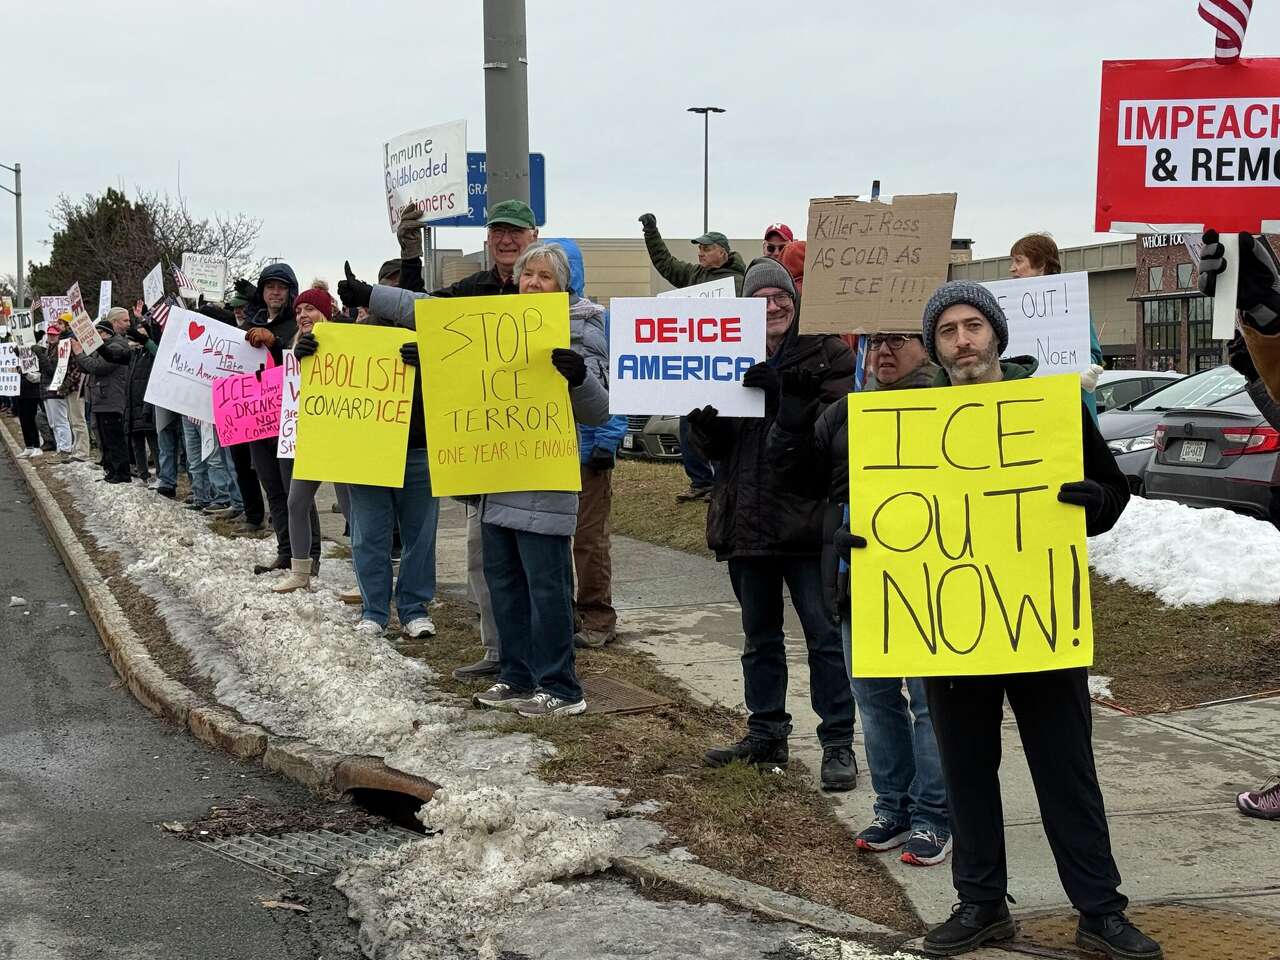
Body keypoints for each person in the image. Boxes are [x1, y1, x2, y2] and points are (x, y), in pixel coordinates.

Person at [839, 281, 1157, 959]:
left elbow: (1114, 496)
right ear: (937, 345)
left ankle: (1100, 910)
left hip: (1037, 622)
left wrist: (1091, 499)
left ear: (996, 335)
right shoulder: (909, 421)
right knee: (966, 772)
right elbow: (889, 519)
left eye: (972, 325)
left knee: (1065, 772)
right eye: (948, 330)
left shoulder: (1050, 406)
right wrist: (860, 541)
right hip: (951, 631)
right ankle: (981, 905)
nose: (962, 340)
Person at [361, 242, 610, 714]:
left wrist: (579, 378)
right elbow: (434, 317)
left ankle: (561, 688)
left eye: (545, 277)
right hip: (495, 477)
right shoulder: (495, 323)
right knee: (505, 585)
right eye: (528, 275)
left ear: (563, 287)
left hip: (544, 479)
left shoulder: (581, 326)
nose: (534, 283)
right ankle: (516, 677)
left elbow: (599, 410)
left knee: (548, 590)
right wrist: (379, 302)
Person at [767, 326, 949, 865]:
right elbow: (797, 478)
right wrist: (793, 417)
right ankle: (892, 806)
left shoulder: (952, 406)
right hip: (858, 578)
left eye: (899, 339)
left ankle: (935, 813)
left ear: (927, 347)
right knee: (874, 699)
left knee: (929, 704)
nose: (885, 351)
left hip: (931, 582)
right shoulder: (847, 411)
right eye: (875, 341)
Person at [687, 257, 858, 792]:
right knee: (759, 637)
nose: (773, 305)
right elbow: (718, 450)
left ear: (795, 298)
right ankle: (765, 734)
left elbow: (836, 432)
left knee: (824, 636)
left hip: (807, 524)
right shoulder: (721, 350)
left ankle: (838, 744)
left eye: (780, 295)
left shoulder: (829, 352)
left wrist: (782, 395)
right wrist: (703, 427)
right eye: (760, 297)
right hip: (746, 522)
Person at [395, 201, 540, 673]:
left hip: (535, 449)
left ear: (533, 235)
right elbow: (423, 314)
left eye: (515, 232)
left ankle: (543, 653)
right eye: (498, 231)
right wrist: (410, 256)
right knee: (483, 559)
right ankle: (498, 652)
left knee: (539, 566)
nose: (506, 240)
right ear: (487, 238)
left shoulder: (547, 289)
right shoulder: (471, 289)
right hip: (481, 450)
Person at [638, 213, 746, 504]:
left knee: (723, 425)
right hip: (697, 367)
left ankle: (724, 483)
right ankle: (701, 482)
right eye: (699, 248)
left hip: (725, 367)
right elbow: (665, 263)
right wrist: (651, 231)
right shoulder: (694, 276)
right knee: (689, 424)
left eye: (706, 248)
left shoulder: (740, 283)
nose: (700, 252)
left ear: (722, 253)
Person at [269, 286, 355, 596]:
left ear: (325, 312)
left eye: (310, 309)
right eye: (299, 310)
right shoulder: (295, 347)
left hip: (341, 438)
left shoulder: (344, 340)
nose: (303, 315)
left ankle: (365, 577)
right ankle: (300, 572)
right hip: (309, 438)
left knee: (350, 509)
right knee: (296, 503)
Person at [238, 264, 314, 575]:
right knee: (273, 488)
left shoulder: (295, 326)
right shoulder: (252, 324)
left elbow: (301, 360)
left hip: (289, 419)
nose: (275, 292)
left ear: (290, 291)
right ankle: (286, 551)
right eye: (269, 286)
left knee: (297, 492)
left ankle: (310, 555)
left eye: (281, 287)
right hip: (258, 419)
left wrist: (275, 343)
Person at [1009, 233, 1105, 421]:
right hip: (1027, 410)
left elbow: (1094, 355)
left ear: (1041, 266)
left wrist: (1085, 369)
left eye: (1018, 261)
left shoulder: (1072, 303)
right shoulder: (1007, 309)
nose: (1012, 268)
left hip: (1069, 412)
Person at [69, 308, 133, 483]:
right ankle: (111, 470)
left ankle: (121, 473)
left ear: (107, 332)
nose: (96, 336)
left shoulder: (116, 346)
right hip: (100, 397)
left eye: (99, 333)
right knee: (104, 438)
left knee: (114, 438)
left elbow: (98, 367)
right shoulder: (104, 347)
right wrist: (80, 354)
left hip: (111, 397)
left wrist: (80, 353)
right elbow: (86, 367)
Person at [123, 312, 161, 485]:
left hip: (147, 404)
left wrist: (145, 323)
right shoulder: (135, 354)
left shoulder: (152, 354)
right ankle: (143, 474)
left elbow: (158, 351)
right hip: (132, 405)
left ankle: (161, 474)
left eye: (143, 334)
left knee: (154, 443)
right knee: (136, 442)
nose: (139, 337)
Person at [35, 319, 73, 459]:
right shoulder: (50, 349)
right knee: (53, 422)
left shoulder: (61, 349)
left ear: (59, 335)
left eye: (54, 335)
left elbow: (52, 369)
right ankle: (60, 448)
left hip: (55, 390)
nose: (51, 337)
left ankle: (65, 449)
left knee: (60, 421)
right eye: (50, 334)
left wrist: (40, 355)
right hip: (48, 390)